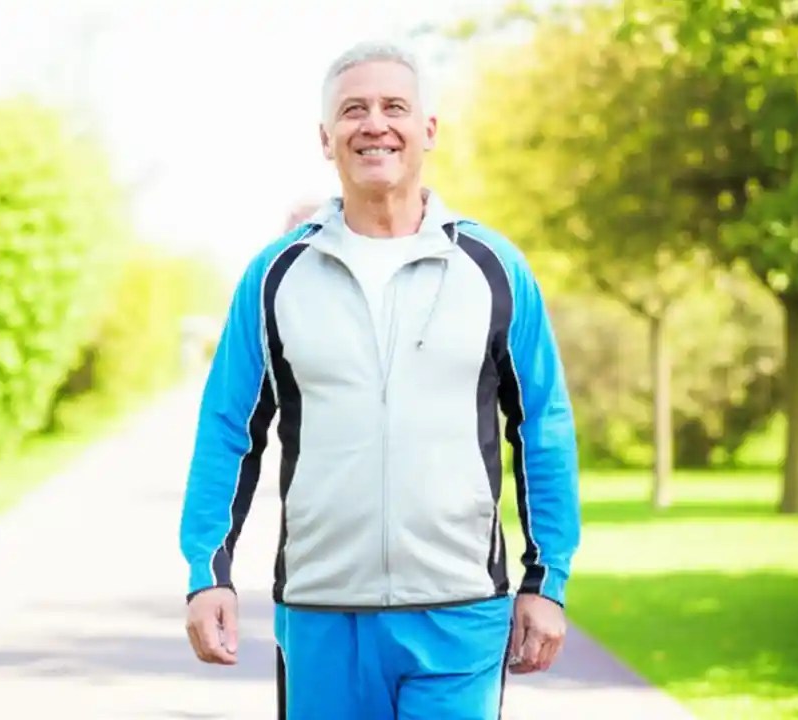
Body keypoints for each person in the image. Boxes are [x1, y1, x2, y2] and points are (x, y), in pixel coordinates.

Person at [177, 38, 581, 719]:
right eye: (353, 109)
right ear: (325, 137)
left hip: (460, 613)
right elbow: (228, 431)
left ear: (428, 130)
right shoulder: (276, 276)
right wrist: (206, 575)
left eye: (395, 106)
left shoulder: (493, 269)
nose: (375, 124)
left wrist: (547, 581)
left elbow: (543, 426)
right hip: (321, 612)